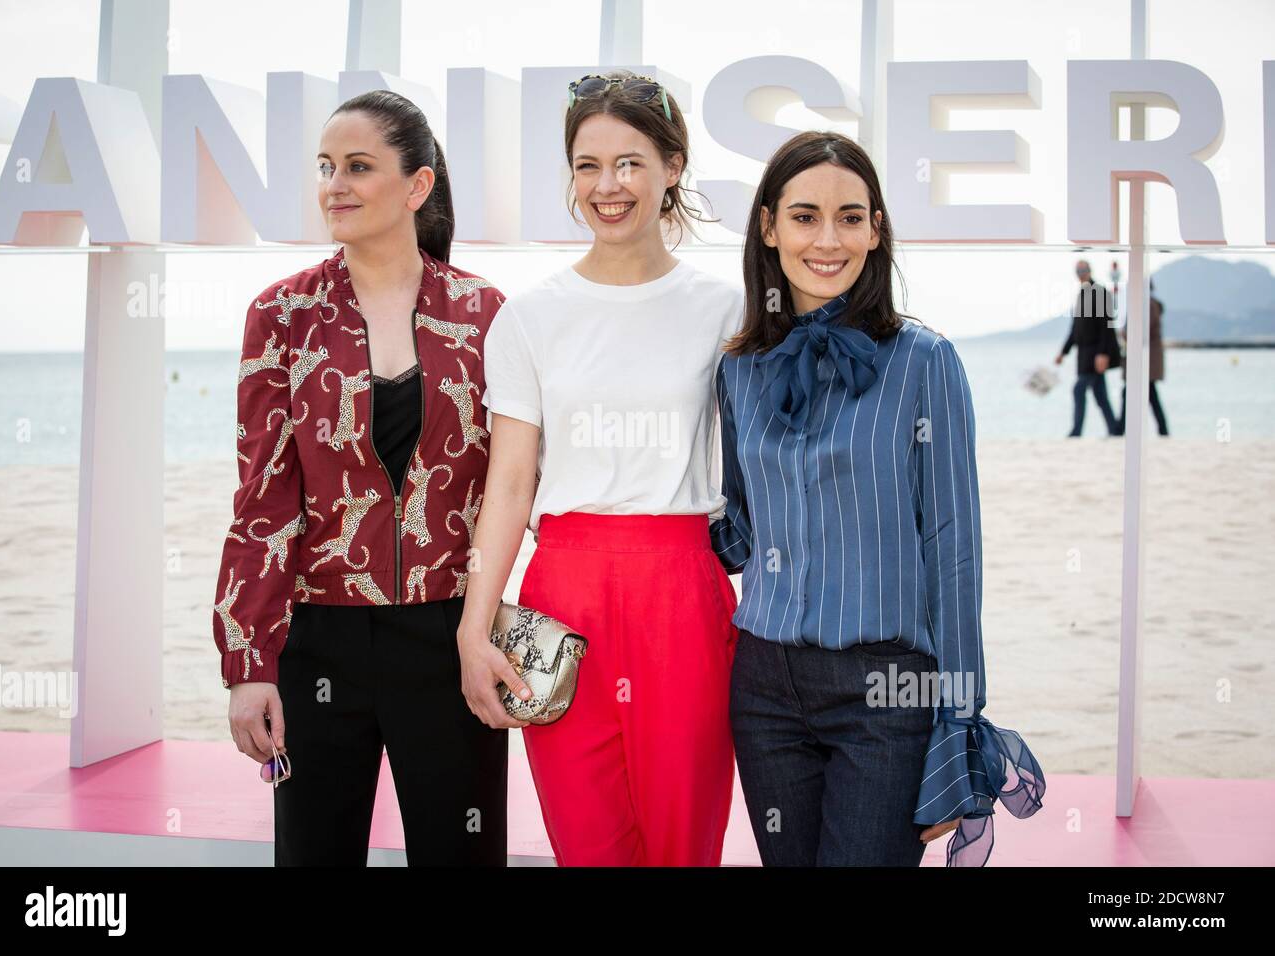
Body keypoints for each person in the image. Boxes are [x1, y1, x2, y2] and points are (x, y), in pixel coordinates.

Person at [711, 130, 1045, 867]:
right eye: (804, 216)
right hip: (763, 688)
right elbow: (736, 527)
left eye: (850, 217)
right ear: (768, 227)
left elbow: (953, 550)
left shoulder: (926, 363)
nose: (827, 239)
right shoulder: (738, 369)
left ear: (876, 229)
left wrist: (959, 723)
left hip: (887, 692)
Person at [455, 70, 745, 866]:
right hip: (563, 598)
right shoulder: (530, 318)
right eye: (588, 165)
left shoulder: (727, 311)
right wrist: (474, 626)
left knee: (684, 839)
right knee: (587, 842)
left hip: (683, 589)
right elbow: (509, 484)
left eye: (630, 162)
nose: (607, 186)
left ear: (672, 167)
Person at [213, 90, 509, 866]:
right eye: (325, 168)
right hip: (318, 643)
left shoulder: (485, 314)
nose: (334, 185)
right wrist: (249, 664)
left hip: (452, 638)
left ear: (417, 185)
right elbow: (262, 499)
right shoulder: (280, 314)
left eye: (358, 167)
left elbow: (515, 487)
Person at [1056, 260, 1123, 437]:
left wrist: (1103, 354)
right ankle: (1115, 430)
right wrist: (1063, 352)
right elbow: (1076, 328)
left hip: (1095, 354)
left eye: (1083, 270)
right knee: (1101, 396)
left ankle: (1076, 432)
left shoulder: (1099, 292)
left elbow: (1107, 325)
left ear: (1089, 271)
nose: (1081, 273)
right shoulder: (1082, 294)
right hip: (1083, 354)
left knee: (1079, 389)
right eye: (1078, 270)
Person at [1115, 278, 1169, 436]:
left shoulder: (1148, 306)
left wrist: (1125, 334)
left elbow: (1141, 331)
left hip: (1145, 361)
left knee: (1140, 395)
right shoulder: (1146, 305)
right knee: (1146, 395)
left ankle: (1119, 430)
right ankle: (1162, 431)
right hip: (1144, 360)